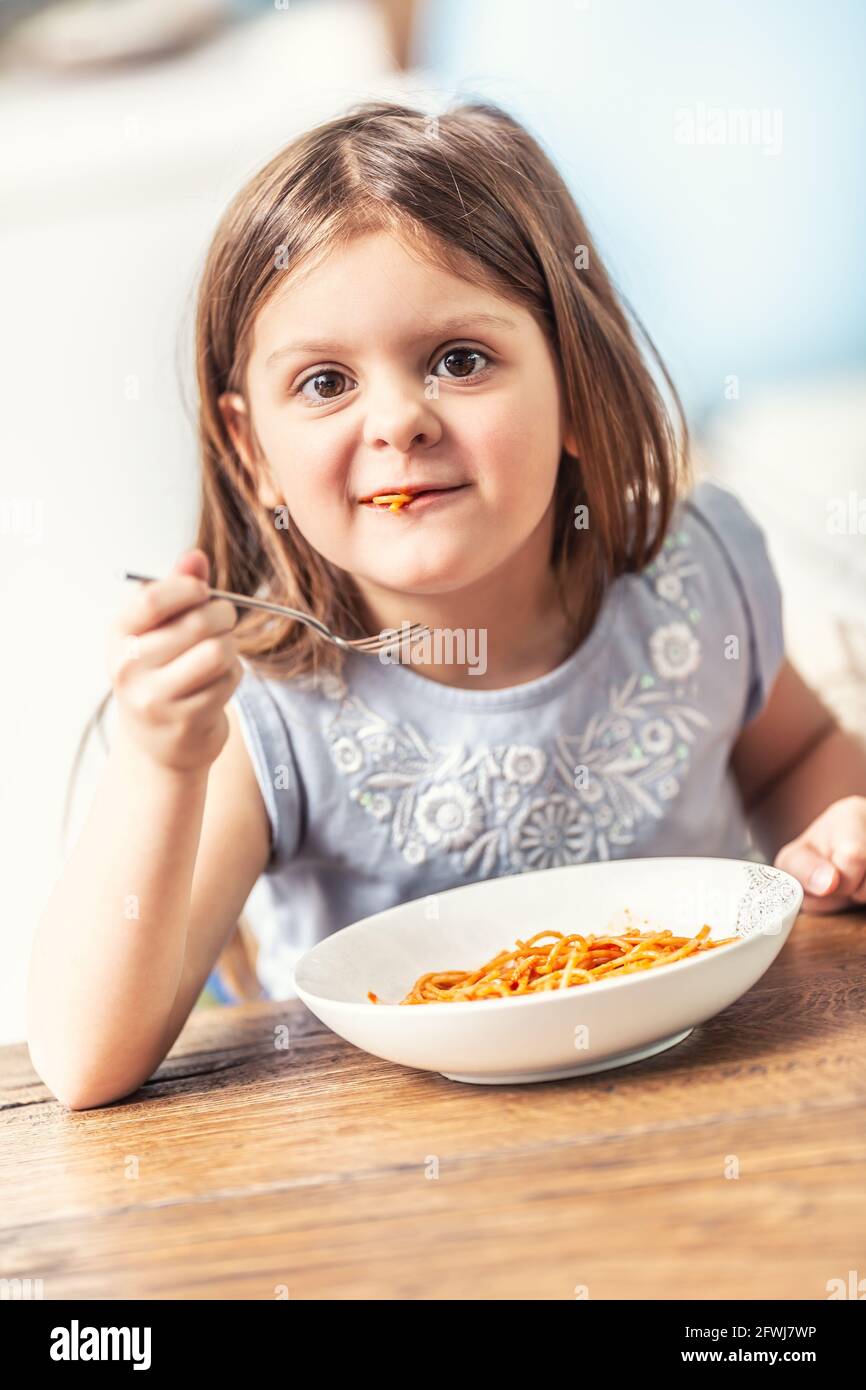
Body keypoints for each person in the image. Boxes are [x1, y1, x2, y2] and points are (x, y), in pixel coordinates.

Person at [28, 99, 866, 1110]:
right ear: (253, 452)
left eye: (457, 361)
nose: (397, 421)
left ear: (574, 380)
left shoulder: (687, 581)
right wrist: (162, 762)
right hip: (395, 1182)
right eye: (327, 381)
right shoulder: (269, 715)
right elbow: (82, 1061)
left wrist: (833, 835)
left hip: (713, 1092)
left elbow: (788, 751)